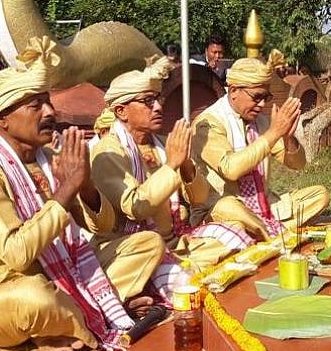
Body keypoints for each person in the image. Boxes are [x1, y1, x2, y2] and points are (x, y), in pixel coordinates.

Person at [0, 36, 166, 351]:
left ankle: (77, 313)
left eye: (47, 102)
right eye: (36, 105)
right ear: (2, 118)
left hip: (60, 271)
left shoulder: (48, 156)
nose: (50, 112)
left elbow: (103, 226)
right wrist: (65, 190)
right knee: (34, 297)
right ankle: (90, 310)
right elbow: (17, 254)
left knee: (145, 243)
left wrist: (85, 187)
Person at [91, 57, 253, 272]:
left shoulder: (164, 143)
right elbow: (136, 208)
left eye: (157, 99)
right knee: (162, 251)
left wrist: (185, 164)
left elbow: (199, 198)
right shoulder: (109, 151)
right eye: (147, 101)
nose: (158, 107)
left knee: (235, 233)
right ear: (121, 111)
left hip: (176, 241)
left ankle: (182, 267)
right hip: (138, 249)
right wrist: (171, 165)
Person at [191, 50, 329, 240]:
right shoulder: (208, 122)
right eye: (256, 97)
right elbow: (230, 169)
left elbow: (298, 164)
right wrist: (273, 133)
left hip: (264, 205)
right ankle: (268, 231)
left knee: (319, 195)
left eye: (266, 97)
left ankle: (260, 229)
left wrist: (288, 138)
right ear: (233, 91)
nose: (262, 104)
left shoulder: (261, 122)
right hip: (225, 209)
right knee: (228, 208)